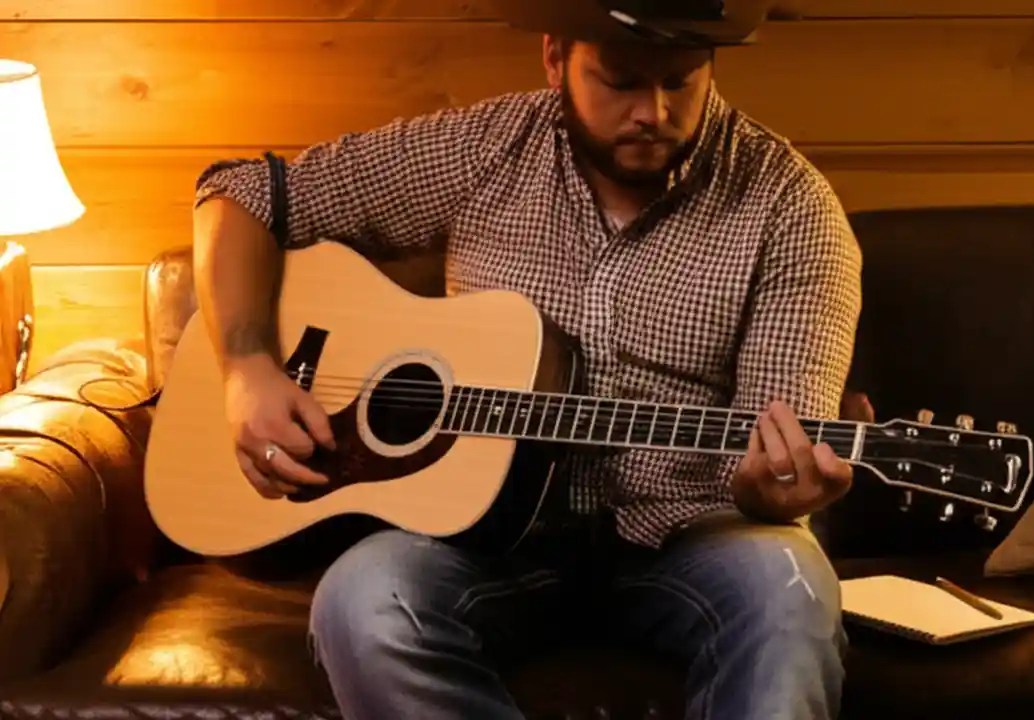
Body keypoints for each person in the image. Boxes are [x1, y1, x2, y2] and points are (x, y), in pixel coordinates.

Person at [190, 0, 870, 717]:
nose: (654, 112)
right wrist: (247, 370)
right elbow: (237, 196)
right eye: (621, 81)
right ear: (555, 59)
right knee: (363, 599)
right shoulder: (487, 145)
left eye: (681, 81)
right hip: (481, 539)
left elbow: (777, 452)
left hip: (688, 536)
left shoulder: (792, 207)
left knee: (790, 589)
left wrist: (775, 490)